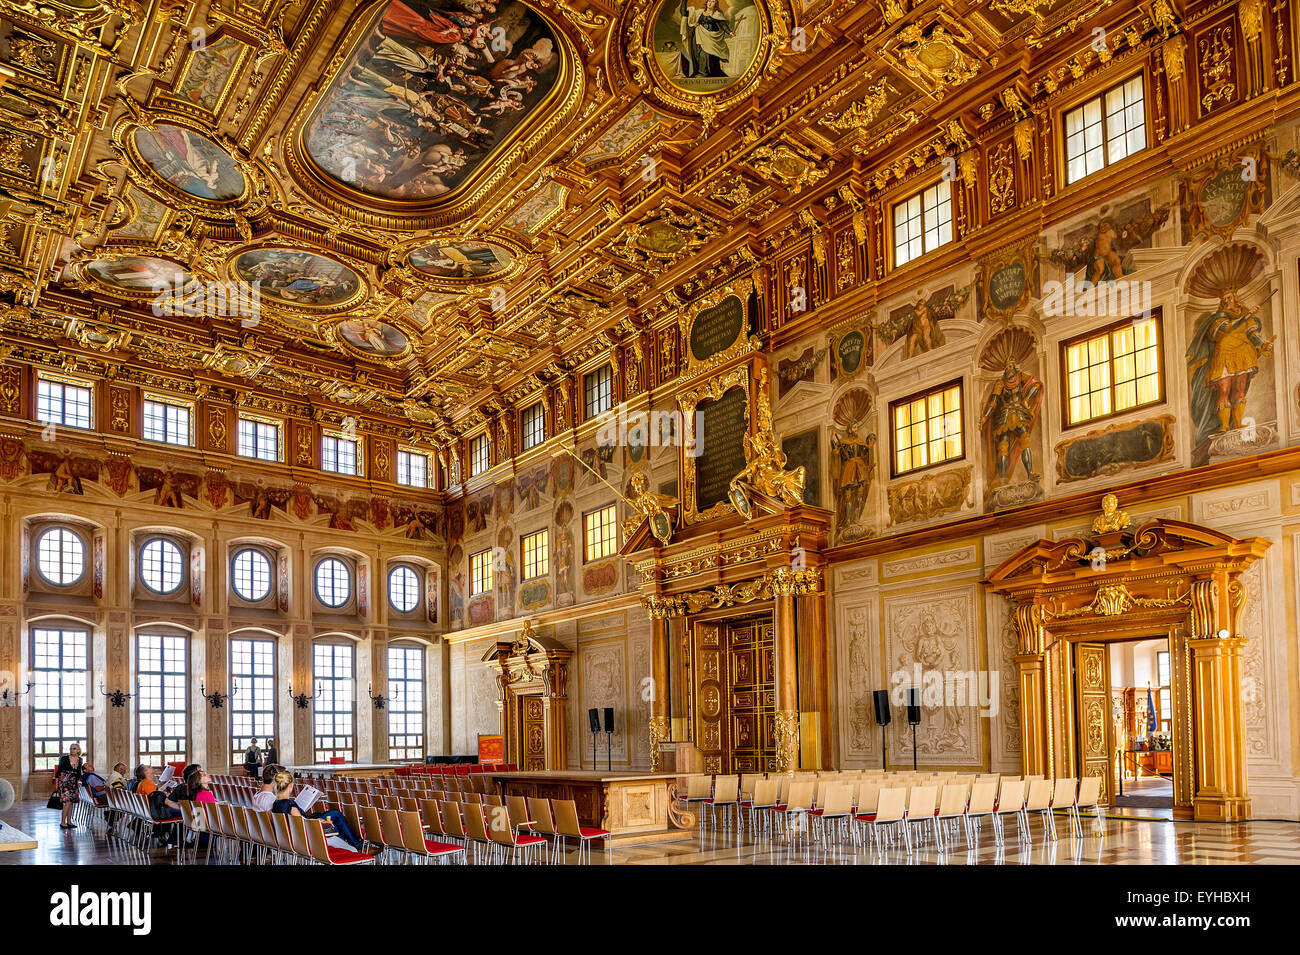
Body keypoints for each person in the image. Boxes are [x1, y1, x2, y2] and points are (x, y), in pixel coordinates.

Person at [268, 771, 368, 854]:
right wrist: (318, 821)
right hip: (310, 839)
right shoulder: (291, 807)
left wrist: (317, 819)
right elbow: (303, 826)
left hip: (291, 840)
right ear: (291, 786)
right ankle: (357, 847)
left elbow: (302, 821)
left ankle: (351, 845)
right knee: (335, 817)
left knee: (334, 824)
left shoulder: (276, 804)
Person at [54, 744, 85, 829]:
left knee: (71, 803)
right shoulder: (64, 759)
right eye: (71, 749)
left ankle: (69, 822)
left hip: (74, 783)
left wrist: (84, 780)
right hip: (64, 782)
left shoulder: (80, 760)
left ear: (78, 750)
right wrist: (57, 785)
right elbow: (59, 771)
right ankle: (63, 822)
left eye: (74, 749)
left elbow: (79, 773)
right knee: (67, 803)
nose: (72, 750)